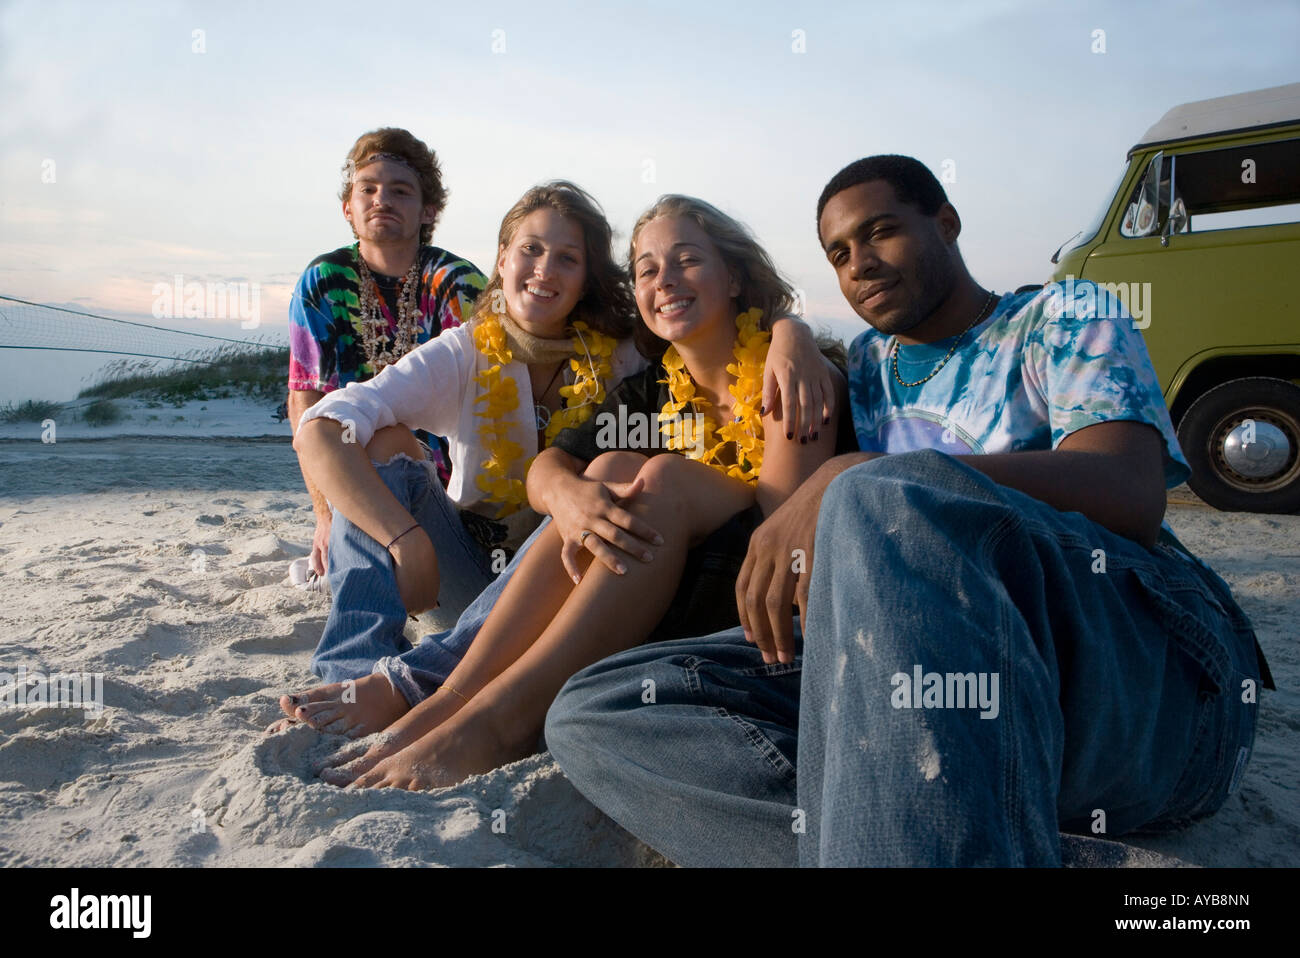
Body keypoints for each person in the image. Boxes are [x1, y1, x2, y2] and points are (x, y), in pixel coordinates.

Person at [543, 155, 1272, 867]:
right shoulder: (862, 371)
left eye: (881, 231)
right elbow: (766, 346)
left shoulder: (1060, 314)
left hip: (1130, 678)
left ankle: (935, 835)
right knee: (596, 713)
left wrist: (875, 474)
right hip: (920, 691)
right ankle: (964, 834)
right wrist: (793, 337)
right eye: (838, 252)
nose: (859, 262)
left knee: (879, 498)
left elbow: (1131, 493)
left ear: (946, 223)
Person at [301, 195, 846, 791]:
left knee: (645, 474)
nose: (665, 280)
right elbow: (545, 466)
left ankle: (495, 719)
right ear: (502, 260)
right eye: (646, 270)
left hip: (741, 598)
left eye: (687, 260)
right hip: (535, 575)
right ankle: (440, 697)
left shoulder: (785, 373)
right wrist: (562, 493)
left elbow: (781, 530)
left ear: (735, 275)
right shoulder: (648, 382)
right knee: (603, 465)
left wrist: (792, 331)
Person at [287, 128, 486, 584]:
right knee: (352, 439)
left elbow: (486, 398)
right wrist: (324, 516)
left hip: (443, 487)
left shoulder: (457, 282)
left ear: (427, 210)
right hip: (353, 478)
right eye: (368, 189)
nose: (382, 200)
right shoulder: (323, 280)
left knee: (388, 439)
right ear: (348, 208)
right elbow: (306, 396)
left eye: (400, 191)